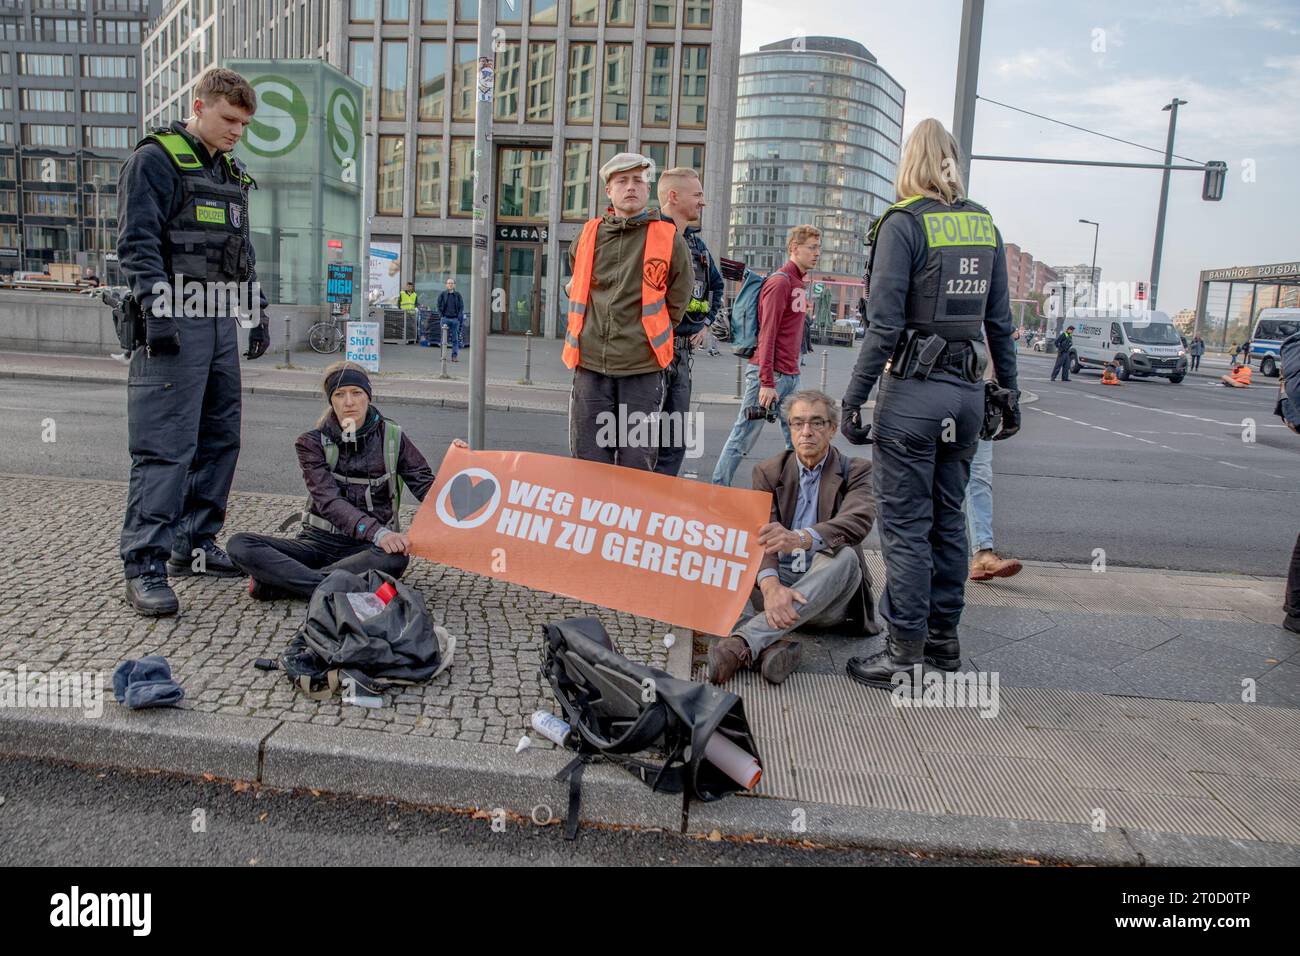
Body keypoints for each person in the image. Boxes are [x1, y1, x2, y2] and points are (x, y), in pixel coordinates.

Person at [838, 118, 1020, 687]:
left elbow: (885, 325)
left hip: (913, 399)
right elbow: (1001, 325)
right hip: (966, 400)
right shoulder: (984, 225)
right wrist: (1009, 396)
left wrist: (854, 399)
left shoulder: (903, 223)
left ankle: (902, 649)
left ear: (909, 162)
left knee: (906, 527)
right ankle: (944, 644)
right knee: (948, 524)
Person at [118, 67, 272, 616]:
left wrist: (256, 308)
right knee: (166, 449)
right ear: (198, 104)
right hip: (175, 322)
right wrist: (157, 311)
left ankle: (195, 545)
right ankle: (146, 565)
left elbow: (241, 251)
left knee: (218, 439)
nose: (236, 131)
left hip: (219, 321)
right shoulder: (155, 160)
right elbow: (137, 243)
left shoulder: (229, 170)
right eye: (229, 119)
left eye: (245, 124)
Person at [227, 362, 447, 599]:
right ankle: (331, 585)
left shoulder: (393, 438)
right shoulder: (311, 443)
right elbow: (329, 501)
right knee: (240, 544)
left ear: (368, 397)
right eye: (340, 394)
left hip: (366, 549)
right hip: (317, 543)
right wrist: (379, 533)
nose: (349, 402)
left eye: (356, 393)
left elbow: (426, 486)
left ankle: (284, 583)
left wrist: (460, 466)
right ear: (331, 401)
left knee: (396, 557)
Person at [707, 390, 879, 685]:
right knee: (720, 546)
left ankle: (741, 644)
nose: (806, 432)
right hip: (777, 595)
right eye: (798, 423)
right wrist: (771, 586)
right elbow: (761, 532)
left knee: (847, 557)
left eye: (817, 423)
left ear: (833, 429)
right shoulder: (769, 471)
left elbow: (857, 522)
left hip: (830, 598)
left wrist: (801, 538)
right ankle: (772, 648)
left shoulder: (858, 471)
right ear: (789, 427)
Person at [564, 153, 693, 470]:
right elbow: (579, 280)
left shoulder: (668, 239)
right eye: (622, 181)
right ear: (609, 190)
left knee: (636, 464)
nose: (631, 187)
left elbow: (678, 298)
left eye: (638, 180)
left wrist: (646, 335)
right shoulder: (587, 235)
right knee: (589, 462)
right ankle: (595, 521)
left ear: (647, 189)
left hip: (642, 366)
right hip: (591, 363)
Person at [711, 225, 822, 486]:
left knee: (798, 438)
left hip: (791, 375)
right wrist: (767, 382)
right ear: (794, 248)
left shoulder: (797, 282)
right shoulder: (780, 282)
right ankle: (717, 491)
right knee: (743, 436)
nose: (818, 253)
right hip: (771, 374)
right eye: (812, 247)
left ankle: (799, 495)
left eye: (819, 247)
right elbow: (767, 334)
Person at [654, 167, 723, 477]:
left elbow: (717, 286)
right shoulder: (651, 236)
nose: (702, 202)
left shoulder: (697, 245)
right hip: (652, 356)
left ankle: (660, 502)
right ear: (673, 196)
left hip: (682, 357)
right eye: (697, 195)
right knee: (638, 438)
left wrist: (705, 322)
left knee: (674, 440)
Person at [966, 329, 1023, 583]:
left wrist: (1011, 400)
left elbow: (1003, 343)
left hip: (978, 399)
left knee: (979, 476)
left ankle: (982, 553)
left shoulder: (986, 295)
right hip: (930, 397)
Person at [435, 277, 465, 362]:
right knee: (444, 339)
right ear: (446, 285)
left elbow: (461, 306)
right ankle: (443, 356)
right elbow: (438, 305)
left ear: (454, 285)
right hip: (445, 319)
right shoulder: (442, 294)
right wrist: (441, 316)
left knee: (455, 339)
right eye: (449, 283)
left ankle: (454, 356)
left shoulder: (458, 295)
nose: (450, 284)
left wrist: (458, 317)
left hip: (455, 320)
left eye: (452, 283)